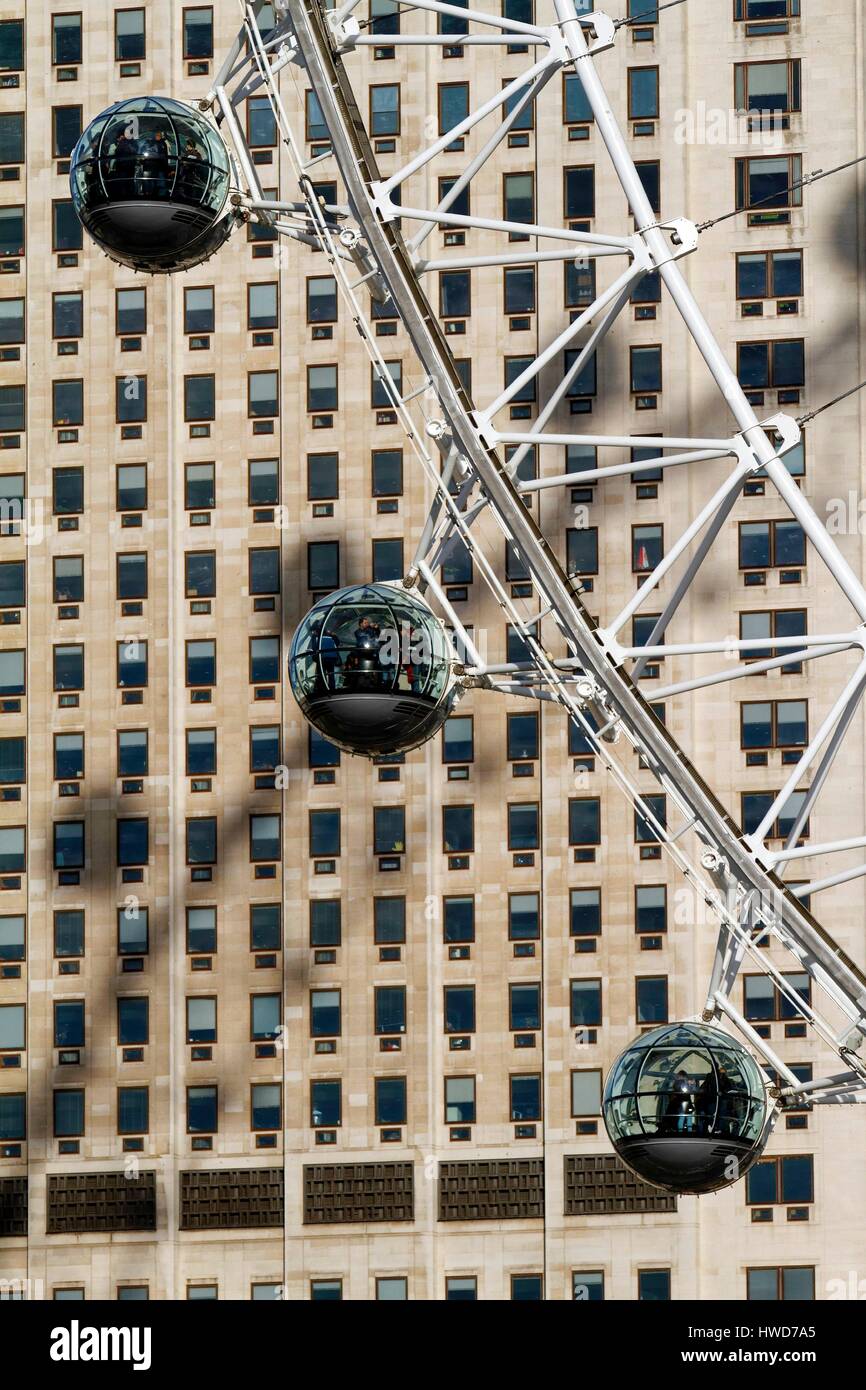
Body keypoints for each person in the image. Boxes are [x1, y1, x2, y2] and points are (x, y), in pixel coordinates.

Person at [661, 1069, 694, 1135]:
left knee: (682, 1117)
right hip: (687, 1103)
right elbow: (689, 1090)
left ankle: (680, 1132)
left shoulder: (676, 1083)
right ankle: (689, 1132)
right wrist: (690, 1084)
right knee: (688, 1118)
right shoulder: (683, 1083)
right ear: (684, 1076)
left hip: (681, 1104)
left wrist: (689, 1084)